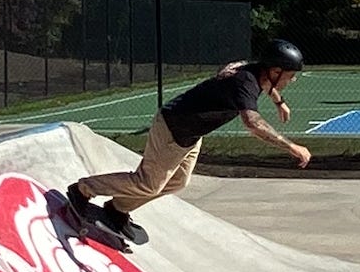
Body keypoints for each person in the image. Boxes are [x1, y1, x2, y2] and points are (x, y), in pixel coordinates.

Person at [67, 40, 309, 244]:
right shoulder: (245, 82)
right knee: (148, 184)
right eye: (290, 76)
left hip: (191, 134)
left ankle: (117, 209)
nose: (293, 80)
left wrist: (279, 101)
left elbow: (268, 86)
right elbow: (252, 123)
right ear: (275, 71)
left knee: (177, 182)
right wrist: (292, 147)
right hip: (173, 128)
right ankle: (82, 190)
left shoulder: (257, 71)